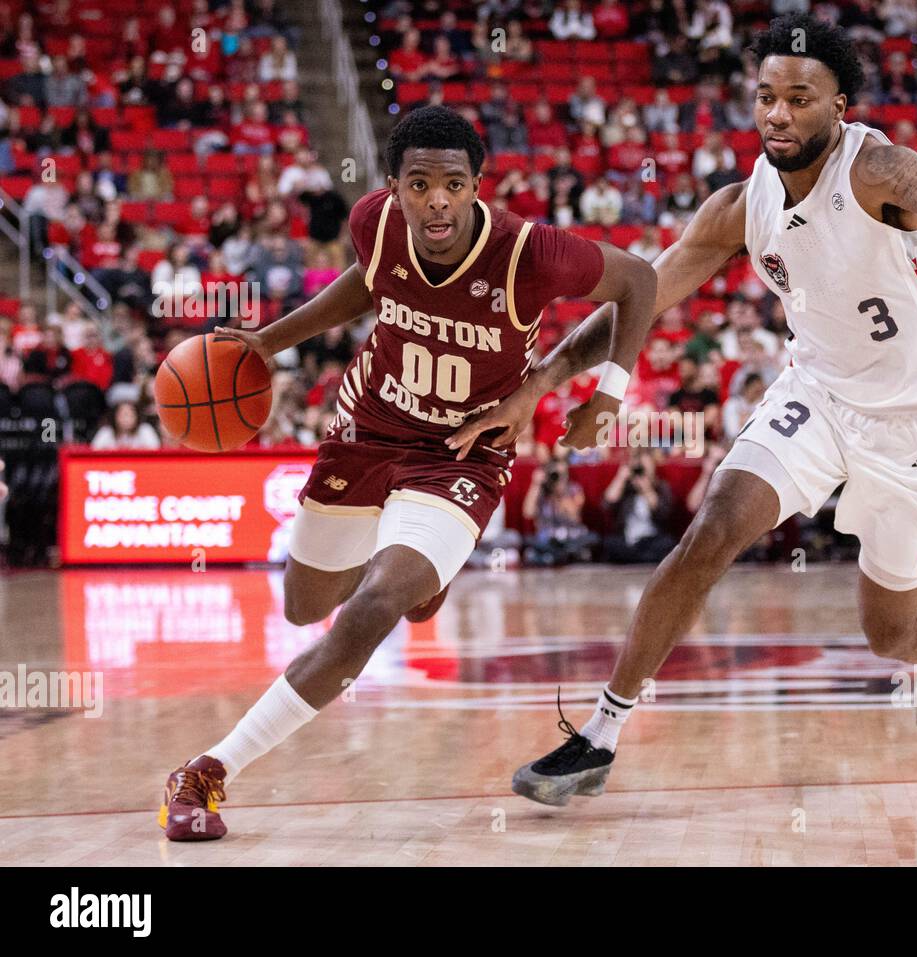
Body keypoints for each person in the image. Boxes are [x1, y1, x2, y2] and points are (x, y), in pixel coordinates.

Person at [451, 13, 917, 805]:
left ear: (839, 107)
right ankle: (599, 735)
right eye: (765, 97)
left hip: (916, 420)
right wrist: (544, 378)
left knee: (890, 630)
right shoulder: (738, 206)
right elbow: (641, 295)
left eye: (799, 97)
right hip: (815, 395)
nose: (777, 113)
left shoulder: (878, 170)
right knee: (712, 527)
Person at [158, 106, 657, 841]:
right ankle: (422, 572)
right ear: (392, 188)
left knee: (373, 606)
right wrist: (269, 340)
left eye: (453, 184)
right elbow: (368, 284)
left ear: (477, 186)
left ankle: (206, 769)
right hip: (367, 428)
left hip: (462, 450)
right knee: (304, 606)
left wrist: (604, 396)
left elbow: (640, 280)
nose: (437, 201)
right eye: (418, 184)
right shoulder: (373, 223)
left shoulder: (532, 253)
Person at [602, 449, 676, 563]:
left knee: (667, 543)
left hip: (652, 540)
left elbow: (663, 513)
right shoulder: (625, 488)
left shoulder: (661, 487)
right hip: (627, 541)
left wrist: (647, 490)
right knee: (609, 544)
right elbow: (608, 503)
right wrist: (621, 477)